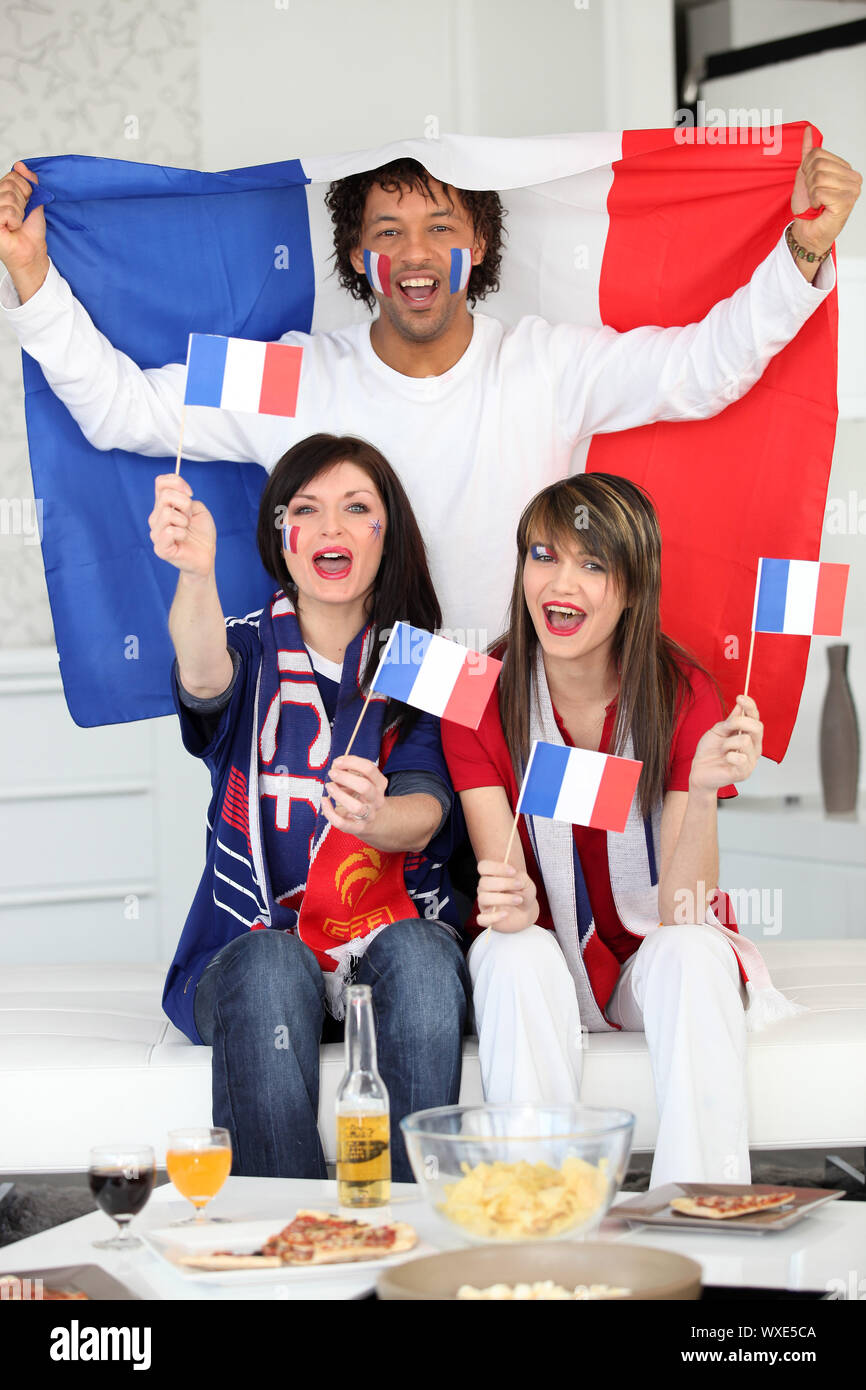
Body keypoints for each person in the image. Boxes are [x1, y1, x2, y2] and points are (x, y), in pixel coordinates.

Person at [0, 132, 859, 640]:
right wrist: (33, 276)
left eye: (439, 227)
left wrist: (805, 255)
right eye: (388, 231)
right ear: (357, 257)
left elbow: (701, 371)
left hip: (515, 725)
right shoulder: (291, 373)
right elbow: (123, 410)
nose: (414, 253)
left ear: (477, 244)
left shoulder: (546, 362)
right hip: (354, 736)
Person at [441, 473, 791, 1188]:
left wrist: (695, 788)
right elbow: (501, 888)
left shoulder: (686, 693)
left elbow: (681, 911)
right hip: (540, 960)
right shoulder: (474, 693)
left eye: (593, 564)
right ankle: (541, 1213)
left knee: (693, 950)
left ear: (632, 589)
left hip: (644, 964)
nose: (560, 581)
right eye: (544, 555)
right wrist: (510, 902)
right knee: (510, 955)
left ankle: (703, 1207)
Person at [154, 431, 470, 1181]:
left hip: (385, 943)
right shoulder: (246, 647)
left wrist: (375, 819)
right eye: (307, 509)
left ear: (384, 536)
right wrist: (197, 577)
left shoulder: (423, 663)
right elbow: (203, 676)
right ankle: (287, 1254)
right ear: (284, 538)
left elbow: (428, 805)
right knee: (271, 963)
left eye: (356, 508)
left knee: (427, 955)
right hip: (254, 949)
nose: (331, 527)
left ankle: (415, 1244)